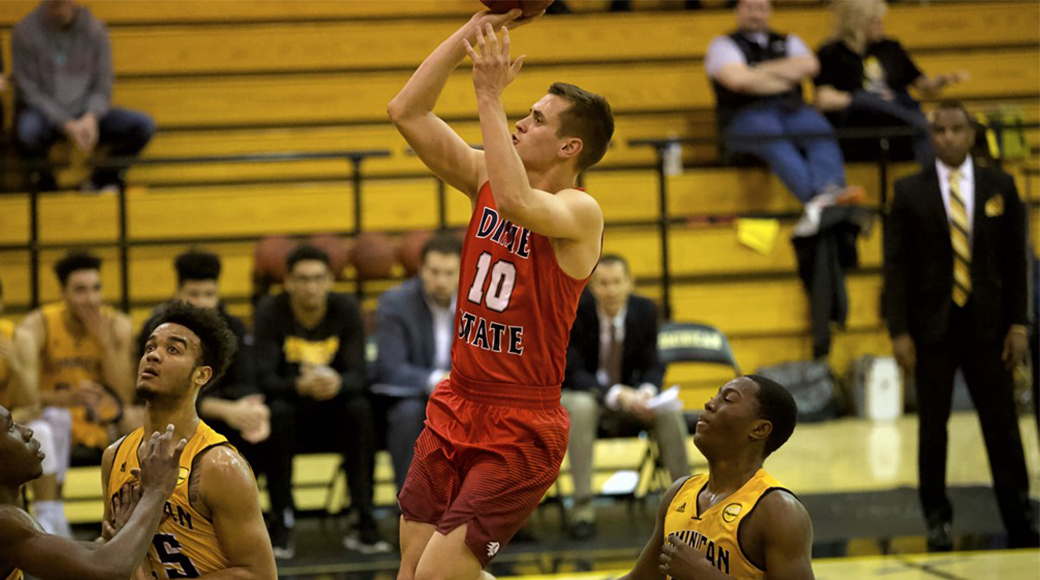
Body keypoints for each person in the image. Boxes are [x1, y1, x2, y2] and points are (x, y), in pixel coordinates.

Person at [388, 5, 612, 578]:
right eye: (525, 112)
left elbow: (517, 201)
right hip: (457, 399)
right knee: (412, 570)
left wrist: (489, 95)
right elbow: (406, 111)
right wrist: (473, 30)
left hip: (521, 423)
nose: (522, 122)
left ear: (570, 149)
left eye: (537, 119)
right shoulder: (485, 175)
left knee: (439, 575)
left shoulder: (579, 211)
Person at [883, 100, 1038, 551]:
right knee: (933, 428)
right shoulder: (909, 190)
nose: (947, 137)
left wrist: (1020, 324)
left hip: (990, 328)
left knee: (1003, 425)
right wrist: (898, 332)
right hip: (931, 329)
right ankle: (937, 519)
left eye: (955, 129)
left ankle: (1019, 515)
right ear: (930, 137)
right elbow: (895, 269)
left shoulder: (1001, 186)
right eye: (939, 131)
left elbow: (1017, 263)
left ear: (971, 133)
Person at [104, 301, 277, 578]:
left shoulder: (219, 466)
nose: (154, 356)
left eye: (172, 349)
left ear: (201, 374)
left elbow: (259, 574)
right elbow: (109, 555)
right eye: (150, 347)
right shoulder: (114, 455)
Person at [253, 244, 386, 558]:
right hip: (292, 407)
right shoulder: (270, 312)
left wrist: (338, 382)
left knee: (360, 408)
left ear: (329, 281)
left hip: (335, 408)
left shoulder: (346, 309)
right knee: (276, 413)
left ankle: (363, 516)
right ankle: (282, 519)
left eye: (317, 278)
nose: (310, 286)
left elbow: (360, 373)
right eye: (302, 279)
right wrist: (298, 385)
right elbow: (264, 378)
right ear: (288, 282)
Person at [621, 375, 813, 580]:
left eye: (728, 399)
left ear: (759, 429)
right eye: (715, 396)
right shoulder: (679, 493)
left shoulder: (777, 511)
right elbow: (640, 578)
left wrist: (707, 576)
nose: (709, 403)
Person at [705, 0, 861, 235]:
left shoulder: (789, 40)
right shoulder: (722, 45)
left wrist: (757, 72)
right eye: (749, 7)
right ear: (737, 11)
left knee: (817, 127)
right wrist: (784, 76)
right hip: (743, 118)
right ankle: (818, 199)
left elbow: (810, 66)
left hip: (791, 111)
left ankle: (830, 188)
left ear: (770, 11)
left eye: (761, 8)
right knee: (770, 133)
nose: (755, 14)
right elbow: (738, 81)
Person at [562, 254, 689, 540]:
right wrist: (616, 394)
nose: (611, 290)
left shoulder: (644, 310)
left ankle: (687, 503)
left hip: (633, 399)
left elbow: (654, 362)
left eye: (617, 282)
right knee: (580, 407)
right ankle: (582, 509)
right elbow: (571, 369)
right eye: (603, 283)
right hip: (589, 396)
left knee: (668, 412)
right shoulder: (576, 309)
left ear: (630, 283)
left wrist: (647, 390)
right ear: (591, 287)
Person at [17, 251, 134, 537]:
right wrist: (67, 398)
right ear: (62, 293)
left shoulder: (116, 324)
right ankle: (50, 514)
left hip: (97, 418)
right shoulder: (38, 325)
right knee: (51, 420)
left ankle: (134, 518)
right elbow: (26, 398)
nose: (91, 298)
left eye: (96, 288)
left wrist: (106, 343)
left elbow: (125, 395)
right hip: (53, 415)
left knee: (134, 418)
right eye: (80, 290)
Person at [0, 404, 189, 580]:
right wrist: (156, 491)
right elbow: (110, 570)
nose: (27, 431)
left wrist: (115, 537)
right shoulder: (4, 521)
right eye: (10, 428)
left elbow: (73, 563)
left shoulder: (11, 518)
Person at [137, 249, 269, 464]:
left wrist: (251, 409)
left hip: (229, 417)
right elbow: (160, 393)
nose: (202, 303)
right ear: (177, 293)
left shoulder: (232, 326)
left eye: (209, 295)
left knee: (268, 426)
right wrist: (225, 410)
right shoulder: (157, 329)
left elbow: (247, 380)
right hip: (174, 419)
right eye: (193, 294)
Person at [12, 0, 155, 192]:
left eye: (59, 3)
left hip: (85, 111)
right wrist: (67, 123)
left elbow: (103, 85)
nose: (55, 7)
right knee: (27, 131)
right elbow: (30, 91)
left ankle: (100, 181)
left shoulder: (95, 30)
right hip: (46, 113)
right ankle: (48, 188)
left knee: (143, 126)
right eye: (51, 3)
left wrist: (91, 116)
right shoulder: (24, 32)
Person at [814, 0, 968, 167]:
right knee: (873, 101)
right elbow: (824, 99)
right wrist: (867, 99)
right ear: (856, 23)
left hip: (897, 114)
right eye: (874, 21)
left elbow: (924, 86)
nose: (881, 25)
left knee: (912, 114)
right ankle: (923, 126)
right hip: (858, 120)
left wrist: (943, 80)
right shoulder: (832, 53)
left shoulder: (891, 48)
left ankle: (934, 168)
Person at [374, 233, 462, 492]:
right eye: (434, 272)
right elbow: (390, 366)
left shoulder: (477, 304)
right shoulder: (395, 303)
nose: (441, 281)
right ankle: (410, 504)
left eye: (449, 273)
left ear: (463, 272)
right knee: (408, 414)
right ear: (420, 270)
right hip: (415, 394)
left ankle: (484, 509)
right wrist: (437, 381)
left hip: (462, 395)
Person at [0, 278, 37, 426]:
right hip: (6, 421)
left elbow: (31, 405)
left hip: (8, 419)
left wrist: (15, 367)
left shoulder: (18, 338)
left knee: (41, 429)